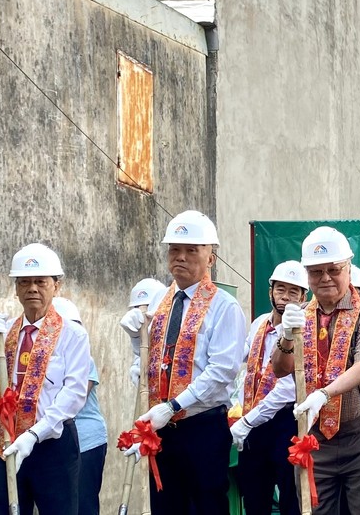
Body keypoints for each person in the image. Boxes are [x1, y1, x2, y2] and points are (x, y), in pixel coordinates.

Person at [118, 210, 247, 514]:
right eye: (175, 250)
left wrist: (173, 406)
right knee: (165, 505)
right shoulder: (161, 302)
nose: (181, 257)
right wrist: (138, 342)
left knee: (206, 505)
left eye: (192, 251)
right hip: (163, 430)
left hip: (201, 426)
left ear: (210, 257)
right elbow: (155, 364)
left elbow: (221, 370)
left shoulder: (223, 306)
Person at [271, 226, 360, 514]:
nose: (325, 278)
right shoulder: (300, 314)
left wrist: (324, 394)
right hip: (315, 435)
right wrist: (287, 335)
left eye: (333, 269)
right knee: (316, 508)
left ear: (348, 268)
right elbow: (279, 369)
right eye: (315, 271)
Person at [0, 243, 92, 515]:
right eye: (25, 282)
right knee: (4, 509)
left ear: (56, 286)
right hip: (7, 439)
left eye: (41, 282)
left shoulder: (72, 335)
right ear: (16, 288)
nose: (32, 288)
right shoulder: (4, 331)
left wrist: (33, 434)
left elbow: (75, 394)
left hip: (51, 444)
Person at [230, 260, 309, 515]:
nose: (285, 297)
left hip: (284, 422)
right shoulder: (259, 324)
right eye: (280, 289)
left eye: (293, 292)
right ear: (270, 291)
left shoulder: (303, 330)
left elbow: (287, 388)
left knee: (289, 498)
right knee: (254, 495)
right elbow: (238, 357)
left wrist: (247, 422)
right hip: (253, 424)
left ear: (303, 296)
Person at [52, 297, 108, 515]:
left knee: (83, 504)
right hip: (57, 441)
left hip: (86, 441)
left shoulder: (84, 358)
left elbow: (75, 398)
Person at [126, 278, 167, 386]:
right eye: (137, 307)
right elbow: (140, 354)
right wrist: (137, 365)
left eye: (148, 306)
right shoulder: (137, 329)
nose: (143, 312)